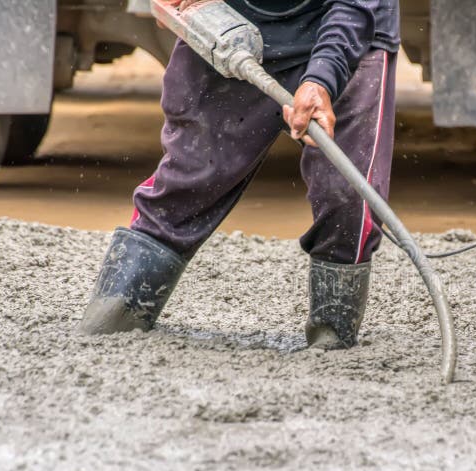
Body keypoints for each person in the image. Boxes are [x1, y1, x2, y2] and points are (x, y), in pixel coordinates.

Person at [79, 0, 400, 349]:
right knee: (186, 180)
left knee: (346, 198)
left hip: (344, 29)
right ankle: (113, 314)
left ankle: (332, 341)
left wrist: (323, 76)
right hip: (229, 21)